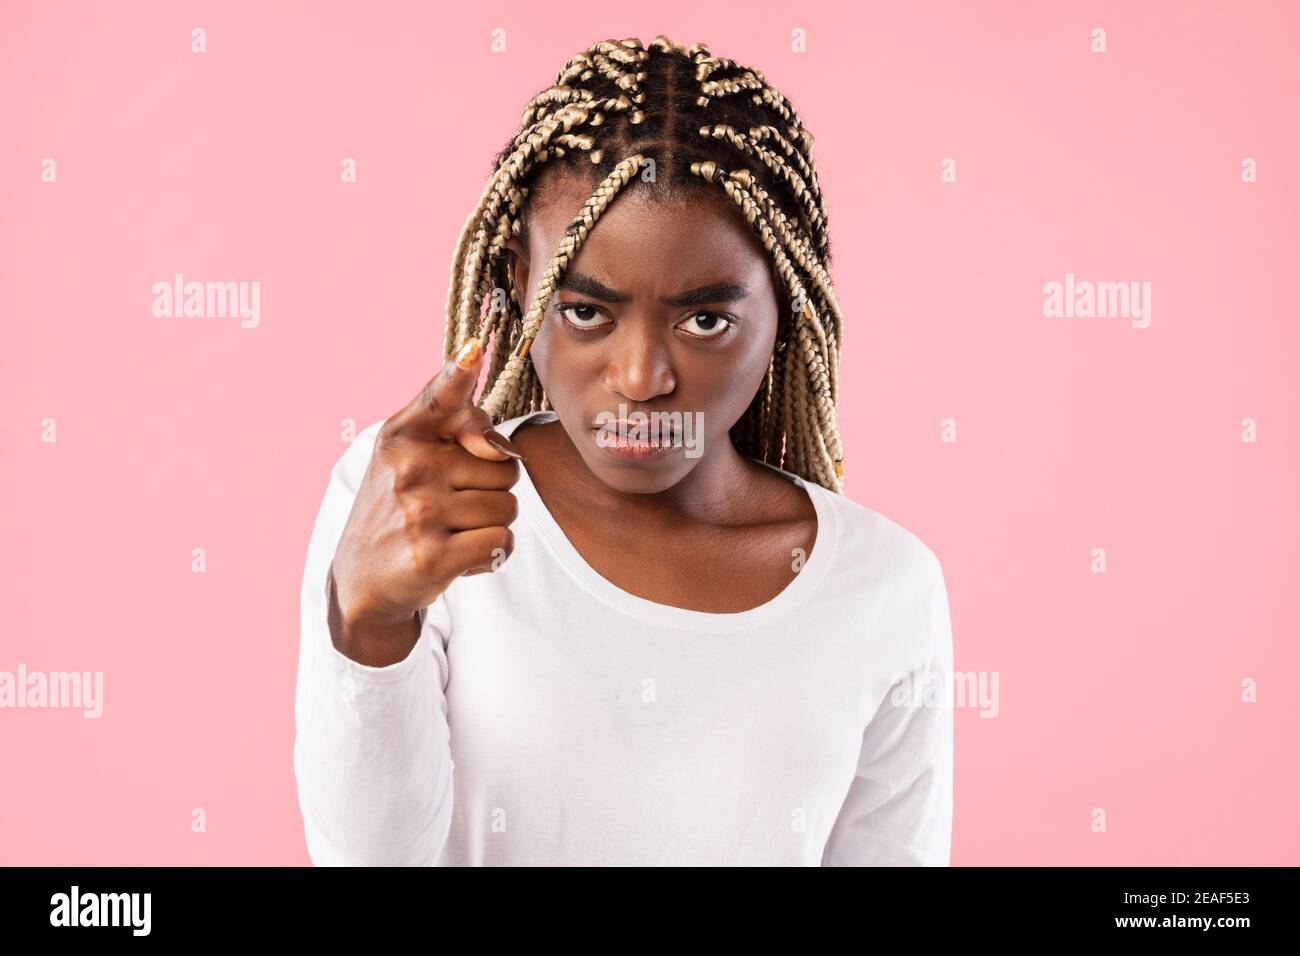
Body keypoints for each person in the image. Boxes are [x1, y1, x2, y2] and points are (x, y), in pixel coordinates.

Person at [293, 35, 953, 866]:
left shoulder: (885, 587)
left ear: (785, 307)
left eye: (705, 320)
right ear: (514, 284)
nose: (641, 379)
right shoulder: (415, 508)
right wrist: (372, 626)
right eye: (585, 313)